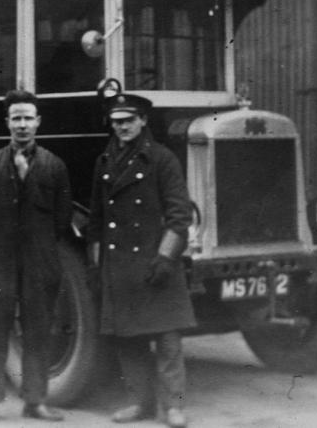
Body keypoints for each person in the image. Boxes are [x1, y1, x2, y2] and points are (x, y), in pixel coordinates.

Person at [86, 84, 195, 428]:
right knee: (127, 340)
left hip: (154, 263)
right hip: (119, 266)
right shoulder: (104, 161)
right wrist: (95, 264)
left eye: (129, 120)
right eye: (116, 121)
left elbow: (180, 216)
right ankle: (140, 404)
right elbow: (96, 220)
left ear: (143, 120)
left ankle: (174, 407)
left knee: (167, 341)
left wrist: (165, 259)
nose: (122, 127)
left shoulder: (162, 159)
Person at [0, 89, 72, 424]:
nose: (23, 125)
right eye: (17, 118)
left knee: (38, 329)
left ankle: (35, 401)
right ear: (7, 123)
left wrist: (38, 245)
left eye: (28, 118)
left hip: (39, 259)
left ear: (38, 122)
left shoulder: (55, 166)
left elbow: (62, 218)